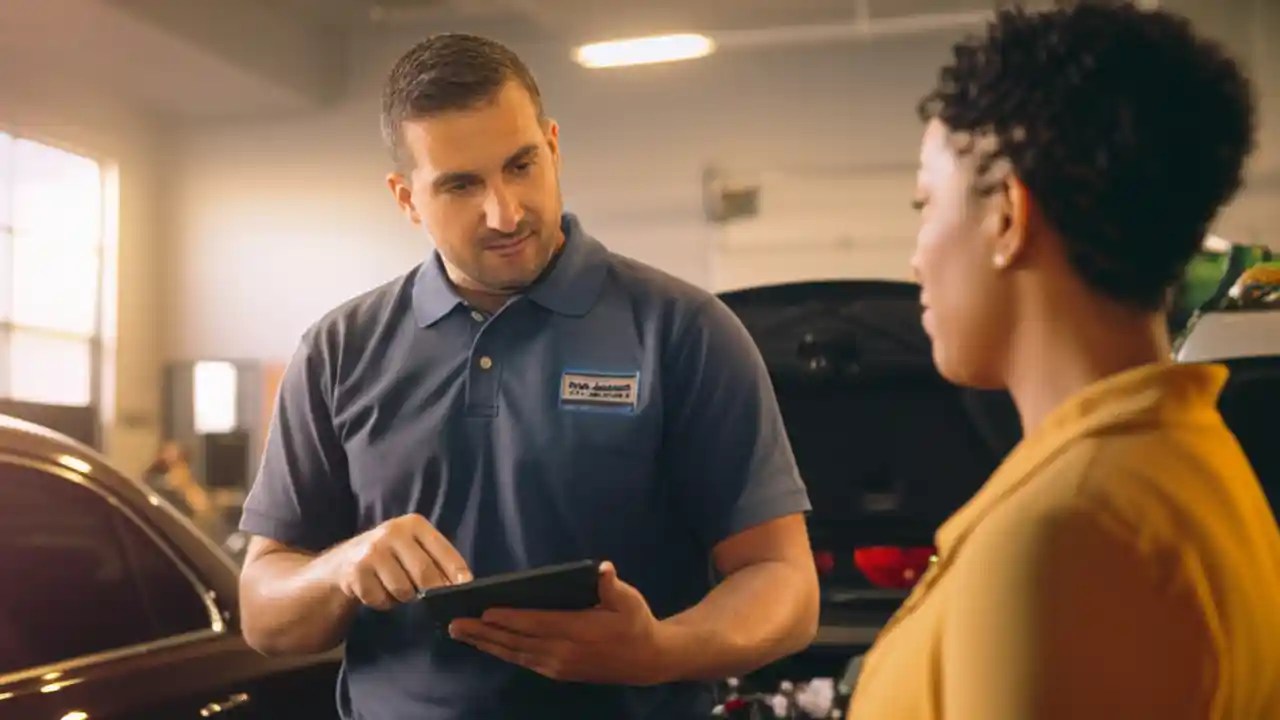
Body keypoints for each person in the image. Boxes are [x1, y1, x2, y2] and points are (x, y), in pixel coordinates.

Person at [236, 32, 819, 719]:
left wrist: (658, 649)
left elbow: (784, 583)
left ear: (552, 144)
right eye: (461, 185)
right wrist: (342, 568)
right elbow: (264, 615)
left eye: (521, 165)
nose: (505, 212)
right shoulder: (338, 351)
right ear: (406, 198)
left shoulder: (684, 330)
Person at [847, 2, 1280, 719]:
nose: (917, 257)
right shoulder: (1182, 462)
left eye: (925, 204)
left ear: (1009, 218)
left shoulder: (1064, 537)